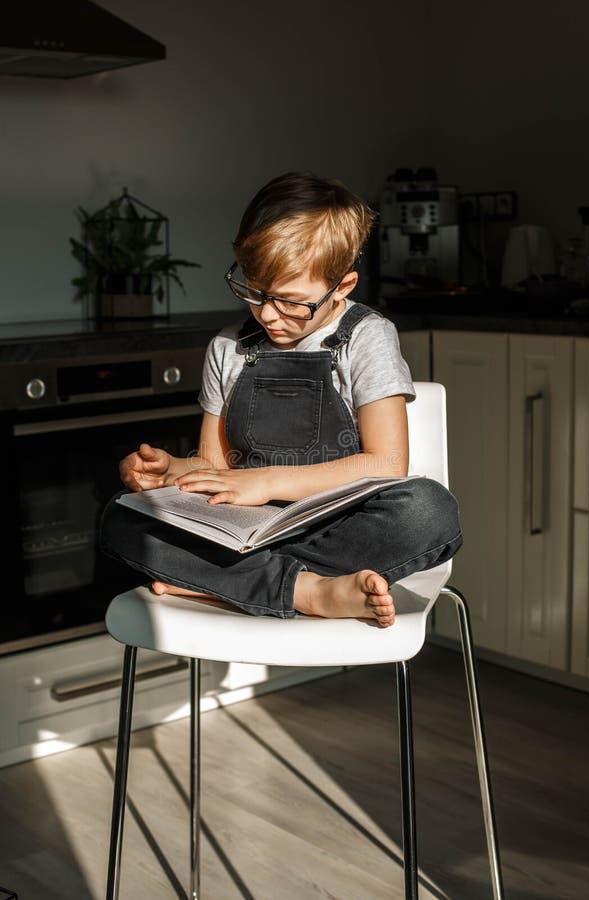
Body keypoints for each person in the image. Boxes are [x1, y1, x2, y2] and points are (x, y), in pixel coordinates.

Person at [100, 172, 462, 628]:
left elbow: (386, 464)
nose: (268, 314)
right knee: (121, 519)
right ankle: (308, 591)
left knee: (429, 511)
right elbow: (216, 467)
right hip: (240, 532)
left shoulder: (366, 338)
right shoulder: (229, 347)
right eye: (255, 292)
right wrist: (171, 470)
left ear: (343, 287)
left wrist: (266, 483)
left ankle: (227, 583)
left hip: (336, 526)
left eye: (291, 301)